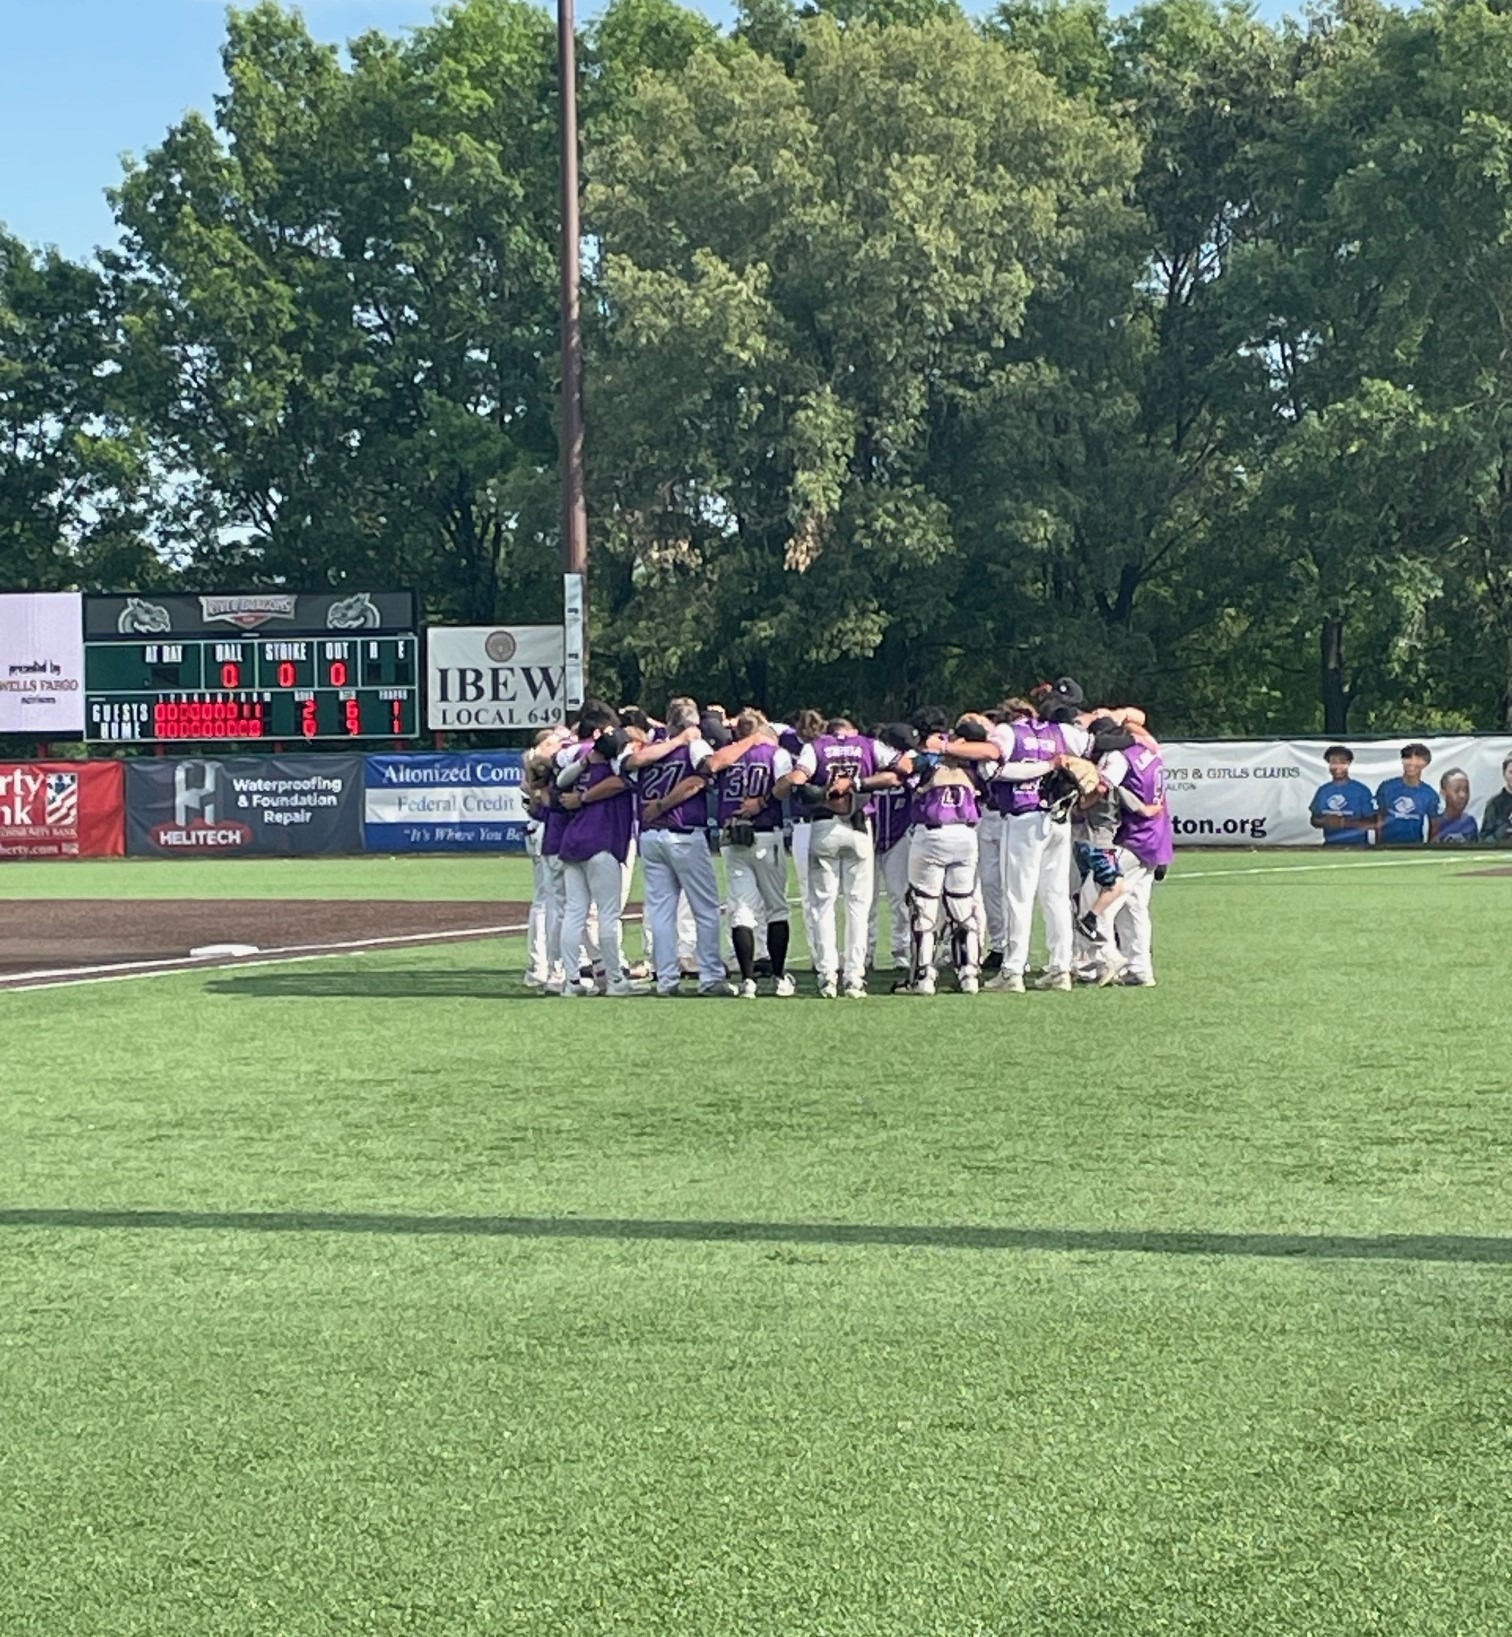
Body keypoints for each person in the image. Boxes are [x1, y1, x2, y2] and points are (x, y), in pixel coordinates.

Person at [779, 716, 901, 998]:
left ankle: (827, 975)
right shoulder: (868, 744)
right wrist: (859, 783)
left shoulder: (816, 746)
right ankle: (855, 976)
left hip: (824, 825)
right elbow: (901, 768)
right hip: (859, 825)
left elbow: (799, 780)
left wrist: (823, 793)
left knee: (822, 906)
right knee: (858, 906)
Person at [623, 697, 731, 997]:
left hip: (651, 836)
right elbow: (703, 774)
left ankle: (667, 979)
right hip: (683, 832)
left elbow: (631, 763)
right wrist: (664, 804)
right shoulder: (694, 745)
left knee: (661, 912)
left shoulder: (651, 748)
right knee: (706, 909)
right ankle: (710, 976)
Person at [706, 709, 796, 998]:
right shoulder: (774, 754)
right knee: (776, 908)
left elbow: (712, 771)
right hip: (765, 832)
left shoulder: (728, 753)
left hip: (733, 835)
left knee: (741, 909)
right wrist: (765, 800)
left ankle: (748, 981)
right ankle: (779, 977)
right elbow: (786, 783)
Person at [898, 718, 988, 995]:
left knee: (925, 906)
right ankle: (969, 972)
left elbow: (904, 769)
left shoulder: (926, 758)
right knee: (963, 905)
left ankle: (924, 975)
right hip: (966, 834)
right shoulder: (972, 761)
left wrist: (928, 751)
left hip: (932, 833)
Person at [555, 717, 642, 997]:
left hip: (574, 842)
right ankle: (615, 980)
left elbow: (560, 780)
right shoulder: (617, 771)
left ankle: (572, 982)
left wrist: (585, 762)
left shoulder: (582, 769)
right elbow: (622, 779)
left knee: (575, 912)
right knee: (608, 914)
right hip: (601, 843)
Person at [1308, 745, 1377, 846]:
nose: (1338, 767)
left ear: (1349, 764)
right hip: (1330, 846)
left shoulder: (1361, 790)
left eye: (1342, 763)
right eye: (1333, 763)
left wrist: (1343, 822)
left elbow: (1373, 822)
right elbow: (1314, 820)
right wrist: (1325, 821)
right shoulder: (1323, 790)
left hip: (1358, 847)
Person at [1375, 743, 1440, 845]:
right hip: (1387, 845)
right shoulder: (1386, 787)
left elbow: (1434, 825)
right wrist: (1378, 845)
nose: (1412, 763)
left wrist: (1429, 849)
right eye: (1408, 758)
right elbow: (1379, 818)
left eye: (1417, 759)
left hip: (1414, 848)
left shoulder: (1429, 794)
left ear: (1425, 764)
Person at [1435, 768, 1479, 844]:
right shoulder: (1434, 822)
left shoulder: (1469, 822)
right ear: (1443, 792)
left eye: (1466, 790)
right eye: (1456, 790)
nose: (1462, 795)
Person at [1481, 754, 1512, 844]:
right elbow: (1484, 840)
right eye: (1511, 772)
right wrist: (1501, 833)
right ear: (1504, 774)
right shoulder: (1494, 804)